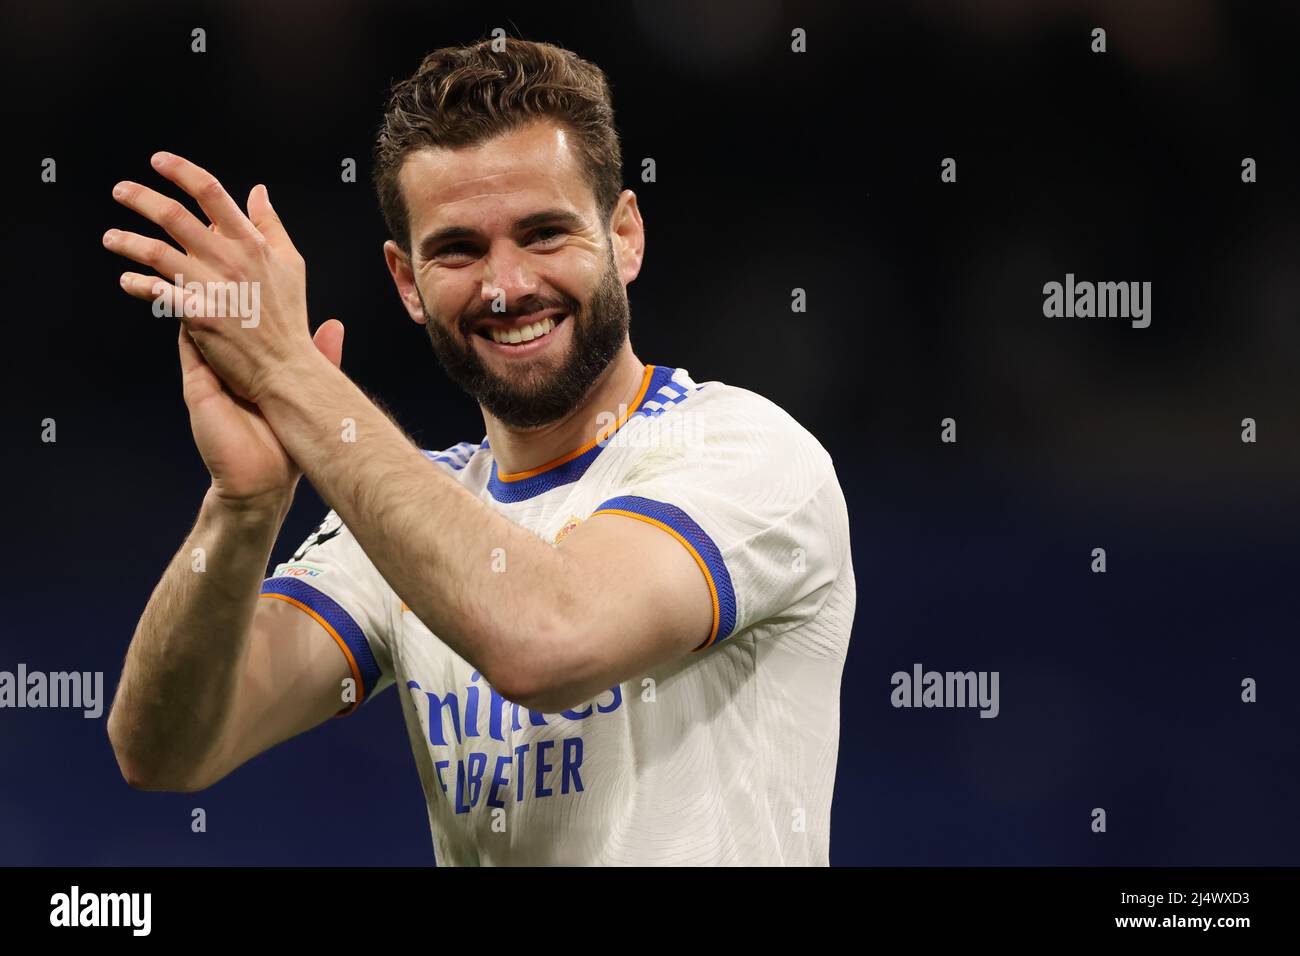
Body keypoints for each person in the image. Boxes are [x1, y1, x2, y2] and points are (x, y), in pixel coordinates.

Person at [103, 37, 855, 865]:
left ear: (624, 237)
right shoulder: (405, 514)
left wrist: (289, 375)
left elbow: (548, 640)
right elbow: (164, 751)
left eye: (543, 233)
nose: (506, 285)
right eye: (459, 249)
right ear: (405, 281)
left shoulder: (745, 449)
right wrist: (241, 508)